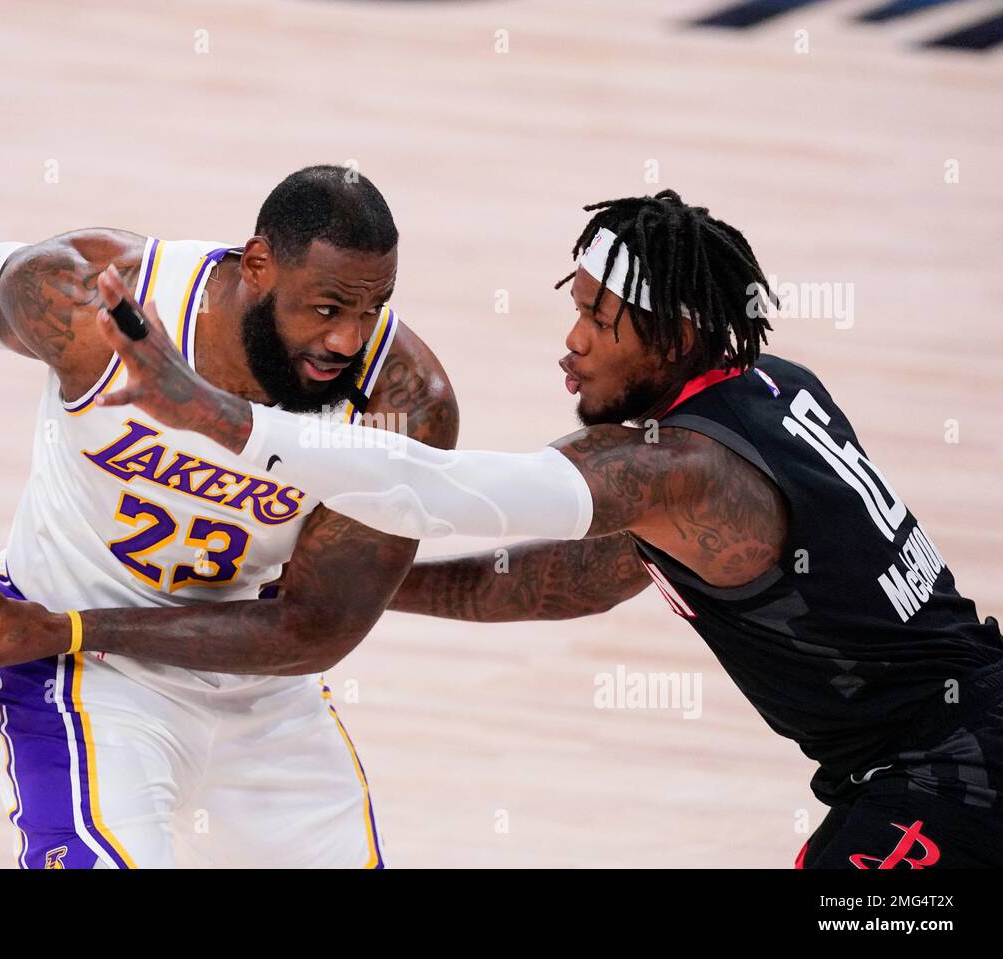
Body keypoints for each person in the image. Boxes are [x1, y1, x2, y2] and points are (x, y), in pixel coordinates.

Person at [78, 189, 1003, 868]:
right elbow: (551, 579)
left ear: (674, 341)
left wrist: (216, 416)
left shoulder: (676, 467)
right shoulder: (770, 391)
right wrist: (367, 584)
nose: (573, 342)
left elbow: (442, 490)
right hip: (934, 751)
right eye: (576, 309)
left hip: (954, 772)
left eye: (602, 322)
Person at [0, 165, 459, 868]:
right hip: (79, 675)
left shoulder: (401, 404)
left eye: (372, 309)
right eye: (326, 309)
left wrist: (69, 626)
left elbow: (312, 629)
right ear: (259, 265)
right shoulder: (106, 301)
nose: (349, 339)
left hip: (256, 677)